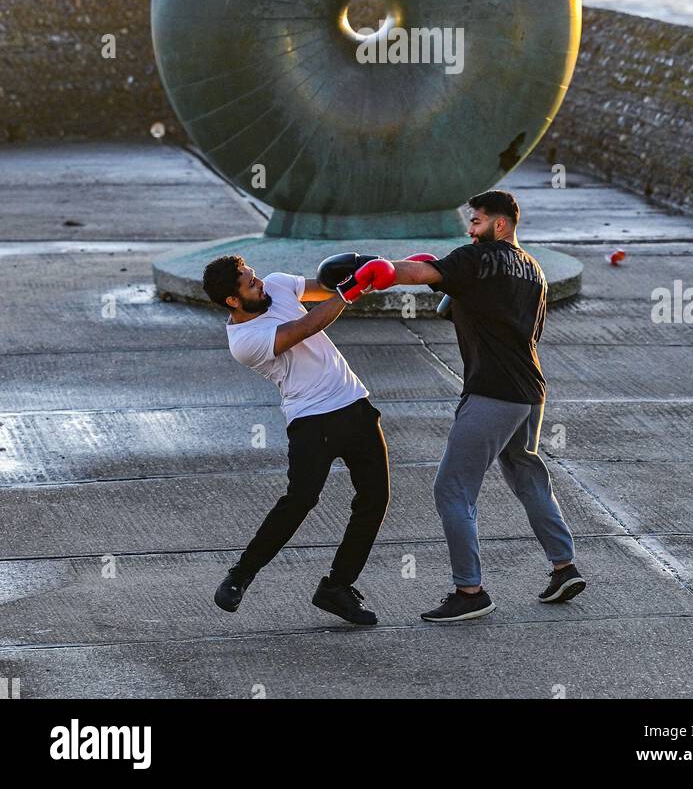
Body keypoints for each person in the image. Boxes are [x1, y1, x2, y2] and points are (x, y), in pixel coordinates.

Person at [385, 190, 586, 623]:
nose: (469, 229)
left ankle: (470, 591)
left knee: (452, 488)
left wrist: (370, 269)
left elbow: (418, 272)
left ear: (499, 224)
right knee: (526, 473)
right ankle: (564, 567)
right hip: (530, 390)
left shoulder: (475, 259)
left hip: (493, 391)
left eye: (475, 221)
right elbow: (518, 327)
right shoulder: (535, 270)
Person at [202, 253, 393, 626]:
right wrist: (352, 290)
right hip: (311, 420)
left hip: (354, 403)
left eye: (254, 275)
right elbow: (304, 327)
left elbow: (323, 289)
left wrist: (362, 269)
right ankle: (241, 575)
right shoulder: (244, 341)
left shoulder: (276, 284)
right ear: (233, 301)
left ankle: (336, 587)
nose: (260, 283)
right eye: (250, 283)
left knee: (375, 498)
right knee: (301, 500)